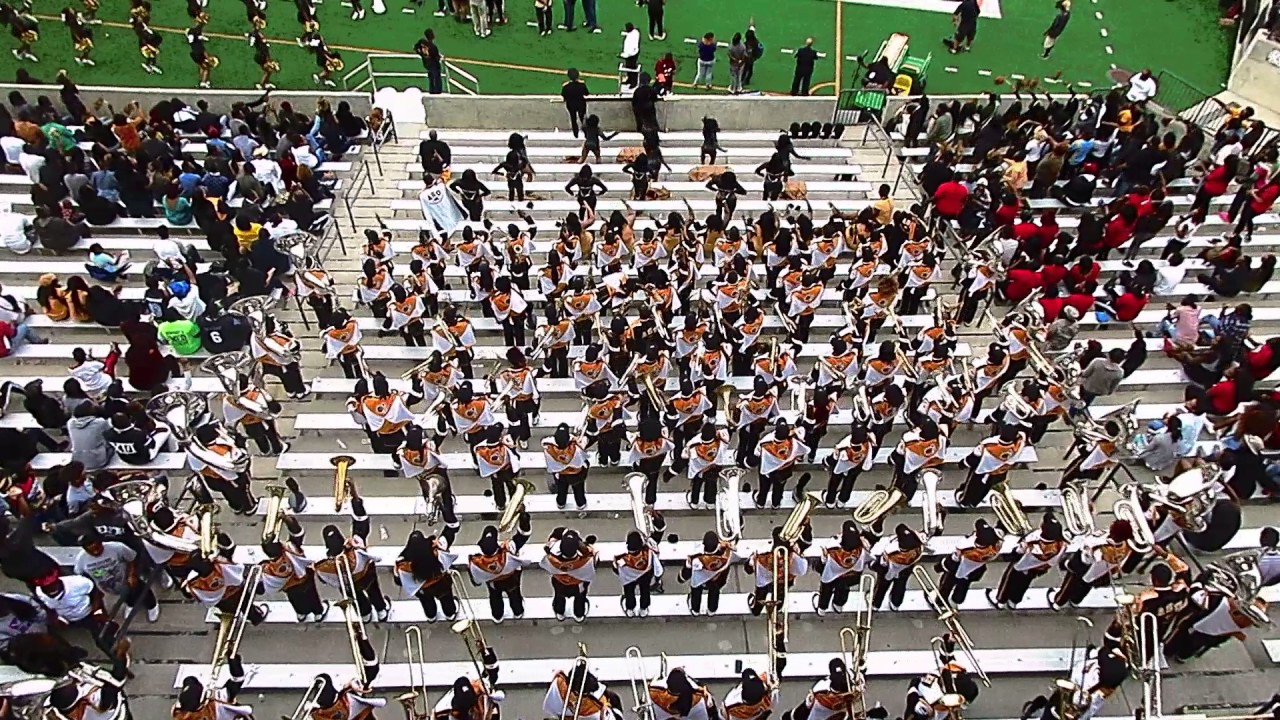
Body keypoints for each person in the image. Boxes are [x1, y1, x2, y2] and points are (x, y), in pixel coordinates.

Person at [561, 68, 589, 137]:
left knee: (573, 119)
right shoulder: (581, 85)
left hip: (571, 104)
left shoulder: (566, 86)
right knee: (583, 118)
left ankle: (575, 134)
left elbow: (564, 95)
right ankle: (586, 133)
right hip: (581, 104)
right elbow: (586, 93)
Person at [414, 29, 443, 94]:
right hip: (434, 64)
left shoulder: (422, 43)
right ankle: (437, 91)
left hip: (427, 63)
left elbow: (416, 48)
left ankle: (432, 91)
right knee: (436, 78)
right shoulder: (433, 47)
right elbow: (436, 57)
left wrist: (421, 54)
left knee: (431, 78)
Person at [620, 23, 641, 89]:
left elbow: (631, 51)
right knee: (628, 67)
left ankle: (633, 83)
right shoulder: (635, 32)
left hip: (632, 55)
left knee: (631, 68)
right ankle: (629, 79)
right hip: (631, 54)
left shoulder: (632, 39)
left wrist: (623, 55)